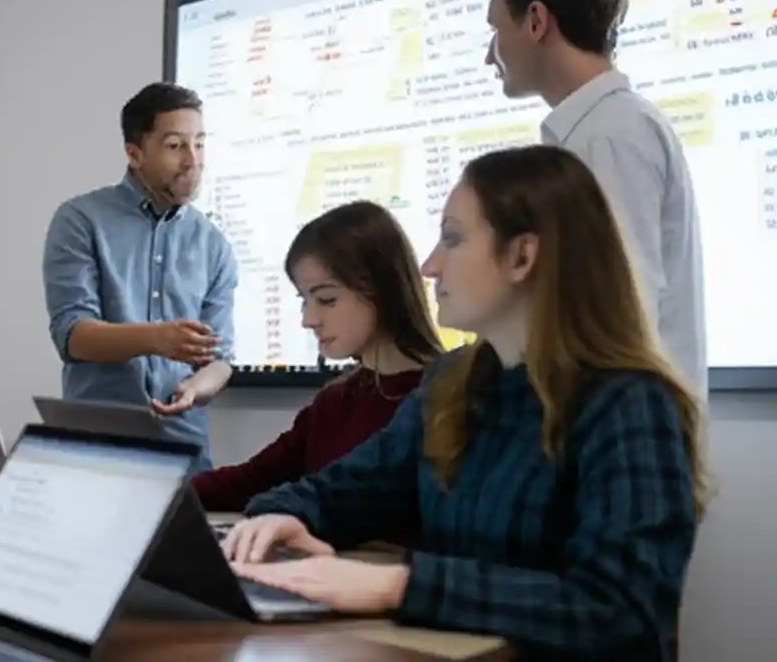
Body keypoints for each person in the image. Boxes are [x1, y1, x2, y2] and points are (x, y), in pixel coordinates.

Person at [222, 145, 708, 661]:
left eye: (452, 239)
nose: (430, 266)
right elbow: (350, 489)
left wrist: (399, 587)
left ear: (522, 255)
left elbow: (621, 611)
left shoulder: (630, 402)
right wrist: (283, 515)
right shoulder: (452, 382)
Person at [483, 0, 707, 396]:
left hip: (625, 441)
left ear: (536, 22)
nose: (489, 55)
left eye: (495, 30)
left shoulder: (608, 135)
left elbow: (619, 317)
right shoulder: (601, 129)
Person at [191, 201, 441, 512]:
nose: (309, 319)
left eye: (326, 299)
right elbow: (247, 481)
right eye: (304, 300)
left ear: (382, 288)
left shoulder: (443, 397)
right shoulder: (335, 401)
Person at [42, 82, 237, 468]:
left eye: (199, 143)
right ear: (134, 153)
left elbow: (221, 360)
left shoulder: (214, 243)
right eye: (175, 145)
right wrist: (157, 338)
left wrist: (193, 389)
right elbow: (73, 335)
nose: (192, 159)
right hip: (97, 450)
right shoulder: (80, 220)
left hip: (185, 456)